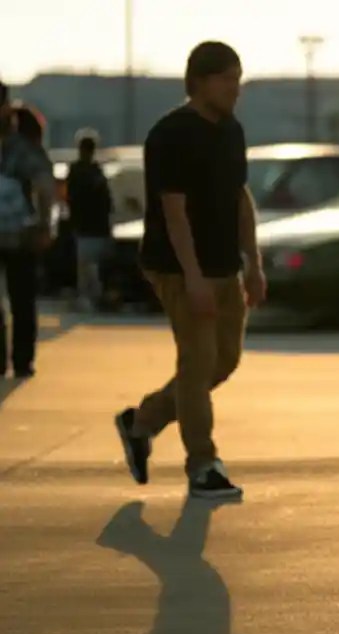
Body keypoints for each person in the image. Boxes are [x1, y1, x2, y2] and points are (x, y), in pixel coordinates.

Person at [114, 41, 267, 499]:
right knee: (197, 365)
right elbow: (174, 213)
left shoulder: (231, 130)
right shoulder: (171, 135)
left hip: (224, 267)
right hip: (179, 268)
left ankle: (141, 422)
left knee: (223, 362)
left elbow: (240, 199)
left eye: (238, 79)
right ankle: (203, 465)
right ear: (199, 81)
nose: (235, 89)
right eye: (227, 80)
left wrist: (253, 262)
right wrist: (194, 278)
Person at [0, 83, 55, 378]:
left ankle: (20, 360)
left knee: (22, 300)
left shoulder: (23, 148)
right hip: (18, 233)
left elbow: (45, 189)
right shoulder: (24, 147)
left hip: (21, 235)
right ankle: (13, 360)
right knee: (19, 300)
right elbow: (45, 188)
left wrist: (45, 224)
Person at [66, 128, 115, 311]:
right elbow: (107, 201)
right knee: (94, 265)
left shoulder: (77, 171)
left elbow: (72, 199)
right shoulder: (97, 172)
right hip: (97, 226)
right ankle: (94, 296)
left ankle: (88, 297)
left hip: (85, 227)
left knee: (86, 265)